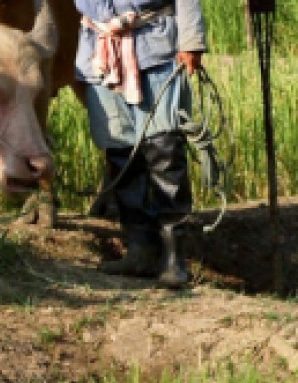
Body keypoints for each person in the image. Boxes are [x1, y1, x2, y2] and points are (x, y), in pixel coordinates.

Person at [74, 0, 207, 287]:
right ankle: (140, 250)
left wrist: (191, 40)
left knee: (165, 150)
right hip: (100, 51)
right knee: (121, 152)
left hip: (155, 46)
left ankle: (174, 257)